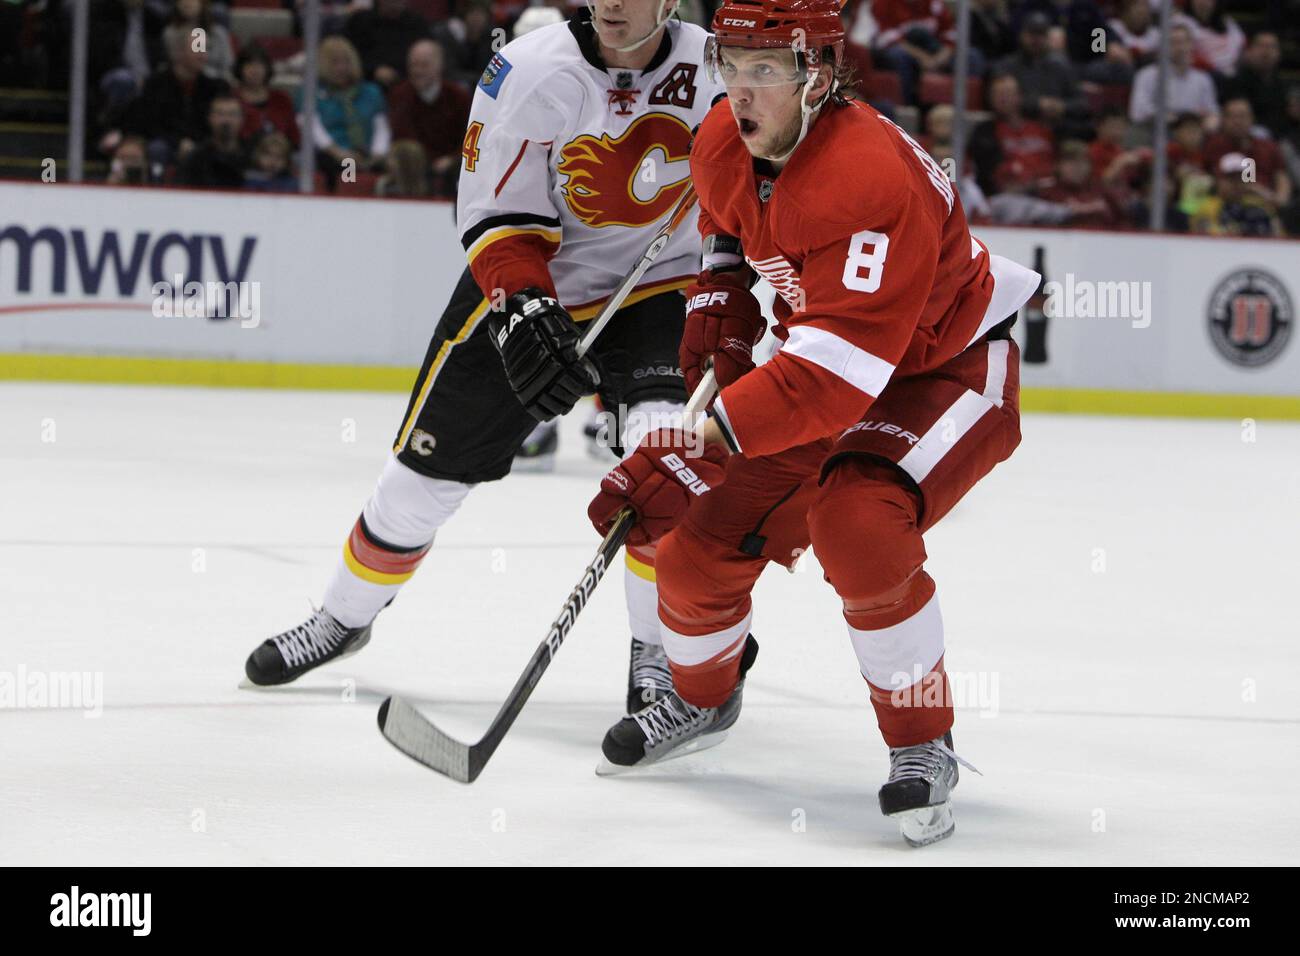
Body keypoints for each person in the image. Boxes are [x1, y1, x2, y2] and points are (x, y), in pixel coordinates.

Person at [585, 0, 1038, 846]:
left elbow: (834, 382)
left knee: (856, 518)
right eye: (731, 65)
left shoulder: (866, 176)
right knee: (696, 546)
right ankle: (703, 695)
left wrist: (695, 441)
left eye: (765, 71)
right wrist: (720, 294)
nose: (740, 91)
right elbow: (728, 218)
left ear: (818, 76)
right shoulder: (725, 133)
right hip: (824, 360)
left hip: (943, 370)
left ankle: (921, 742)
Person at [243, 1, 728, 721]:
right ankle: (342, 618)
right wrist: (525, 308)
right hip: (534, 283)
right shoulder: (527, 71)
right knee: (417, 484)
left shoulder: (721, 68)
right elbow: (496, 217)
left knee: (662, 457)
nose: (614, 5)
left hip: (659, 290)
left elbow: (766, 177)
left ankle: (656, 660)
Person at [386, 39, 472, 197]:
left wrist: (451, 159)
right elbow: (401, 135)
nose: (418, 71)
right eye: (414, 65)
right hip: (415, 165)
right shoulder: (400, 95)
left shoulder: (458, 97)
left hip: (451, 164)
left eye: (424, 65)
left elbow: (469, 138)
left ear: (439, 66)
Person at [1129, 24, 1218, 129]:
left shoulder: (1203, 79)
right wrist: (1172, 119)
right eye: (1173, 43)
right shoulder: (1147, 75)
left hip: (1192, 132)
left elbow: (1213, 114)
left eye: (1184, 42)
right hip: (1156, 131)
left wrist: (1209, 123)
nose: (1180, 48)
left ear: (1192, 45)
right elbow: (1138, 112)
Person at [177, 92, 247, 187]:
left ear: (241, 119)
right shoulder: (195, 159)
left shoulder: (251, 155)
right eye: (220, 114)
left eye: (232, 114)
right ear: (210, 118)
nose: (226, 120)